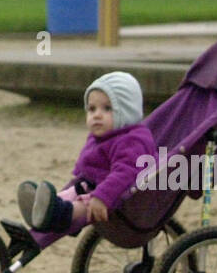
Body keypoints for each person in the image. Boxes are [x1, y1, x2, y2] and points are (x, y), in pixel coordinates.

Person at [15, 71, 156, 252]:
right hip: (93, 186)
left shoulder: (132, 141)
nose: (97, 115)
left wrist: (102, 197)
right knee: (68, 195)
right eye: (92, 109)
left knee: (82, 205)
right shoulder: (107, 135)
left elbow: (124, 173)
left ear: (127, 111)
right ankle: (43, 210)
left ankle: (57, 215)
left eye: (107, 109)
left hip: (120, 197)